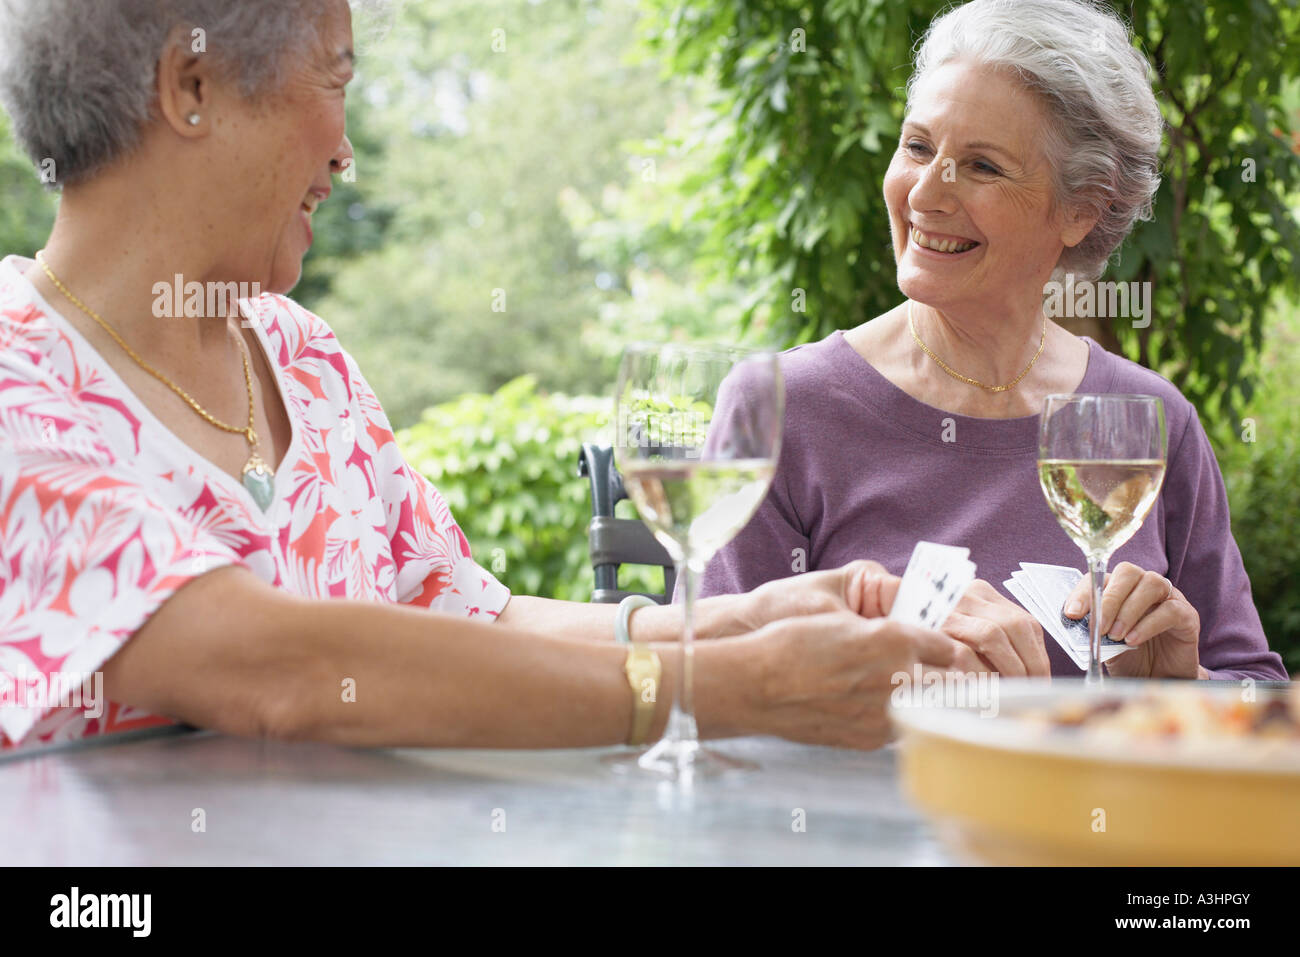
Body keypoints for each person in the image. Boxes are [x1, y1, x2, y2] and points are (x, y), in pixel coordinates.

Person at [0, 0, 1000, 757]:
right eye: (335, 83)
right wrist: (723, 685)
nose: (345, 153)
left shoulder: (305, 361)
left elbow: (467, 613)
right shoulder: (17, 378)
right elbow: (274, 666)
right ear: (191, 85)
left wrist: (738, 619)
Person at [696, 0, 1288, 681]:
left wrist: (1184, 687)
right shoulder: (778, 408)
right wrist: (896, 681)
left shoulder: (1150, 421)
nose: (924, 193)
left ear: (1080, 210)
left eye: (981, 166)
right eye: (918, 146)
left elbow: (1259, 699)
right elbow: (717, 697)